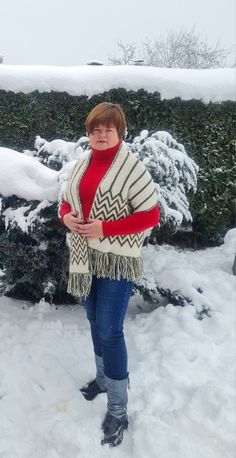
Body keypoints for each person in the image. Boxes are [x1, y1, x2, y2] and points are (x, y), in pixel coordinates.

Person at [60, 102, 160, 447]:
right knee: (92, 319)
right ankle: (103, 380)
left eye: (108, 129)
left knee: (110, 330)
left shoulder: (133, 169)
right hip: (86, 256)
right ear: (88, 133)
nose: (101, 135)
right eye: (95, 129)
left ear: (120, 133)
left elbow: (150, 216)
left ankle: (118, 408)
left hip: (117, 260)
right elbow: (66, 201)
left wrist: (106, 228)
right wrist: (66, 218)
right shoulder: (81, 164)